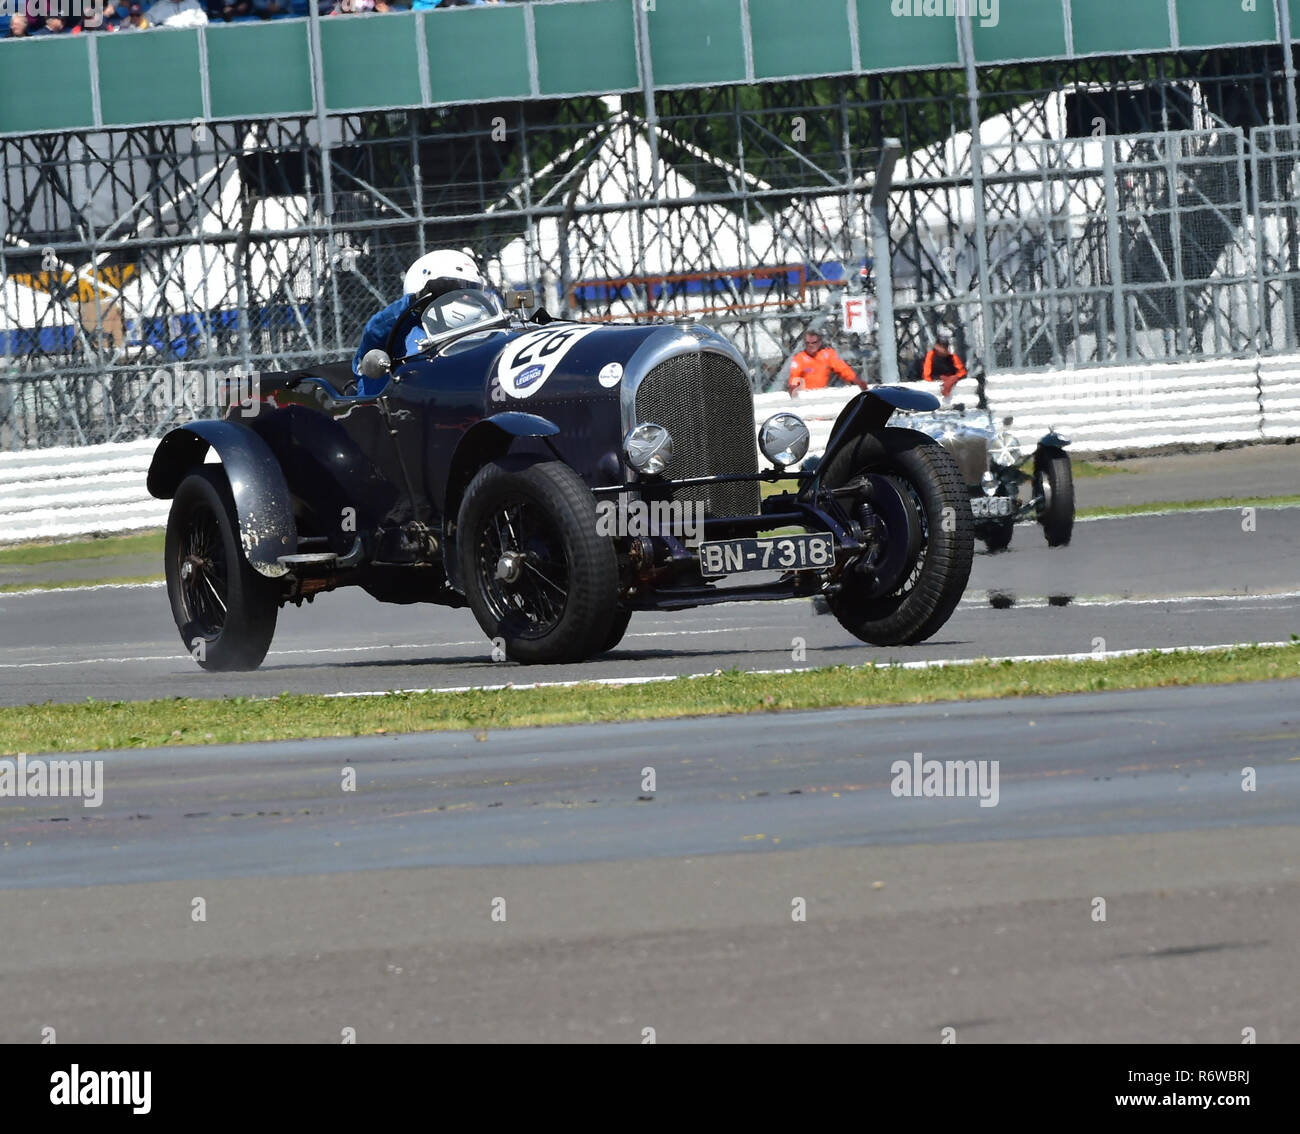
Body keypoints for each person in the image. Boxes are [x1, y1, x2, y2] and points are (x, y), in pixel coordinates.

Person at [352, 249, 496, 393]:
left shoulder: (483, 335)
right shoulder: (403, 337)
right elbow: (375, 333)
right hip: (406, 409)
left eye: (473, 290)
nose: (467, 297)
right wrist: (416, 300)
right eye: (457, 291)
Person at [787, 329, 867, 397]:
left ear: (819, 343)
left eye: (814, 342)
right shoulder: (799, 358)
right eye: (808, 343)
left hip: (822, 394)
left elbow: (843, 369)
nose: (810, 345)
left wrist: (858, 381)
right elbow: (794, 377)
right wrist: (793, 390)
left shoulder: (827, 355)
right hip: (806, 395)